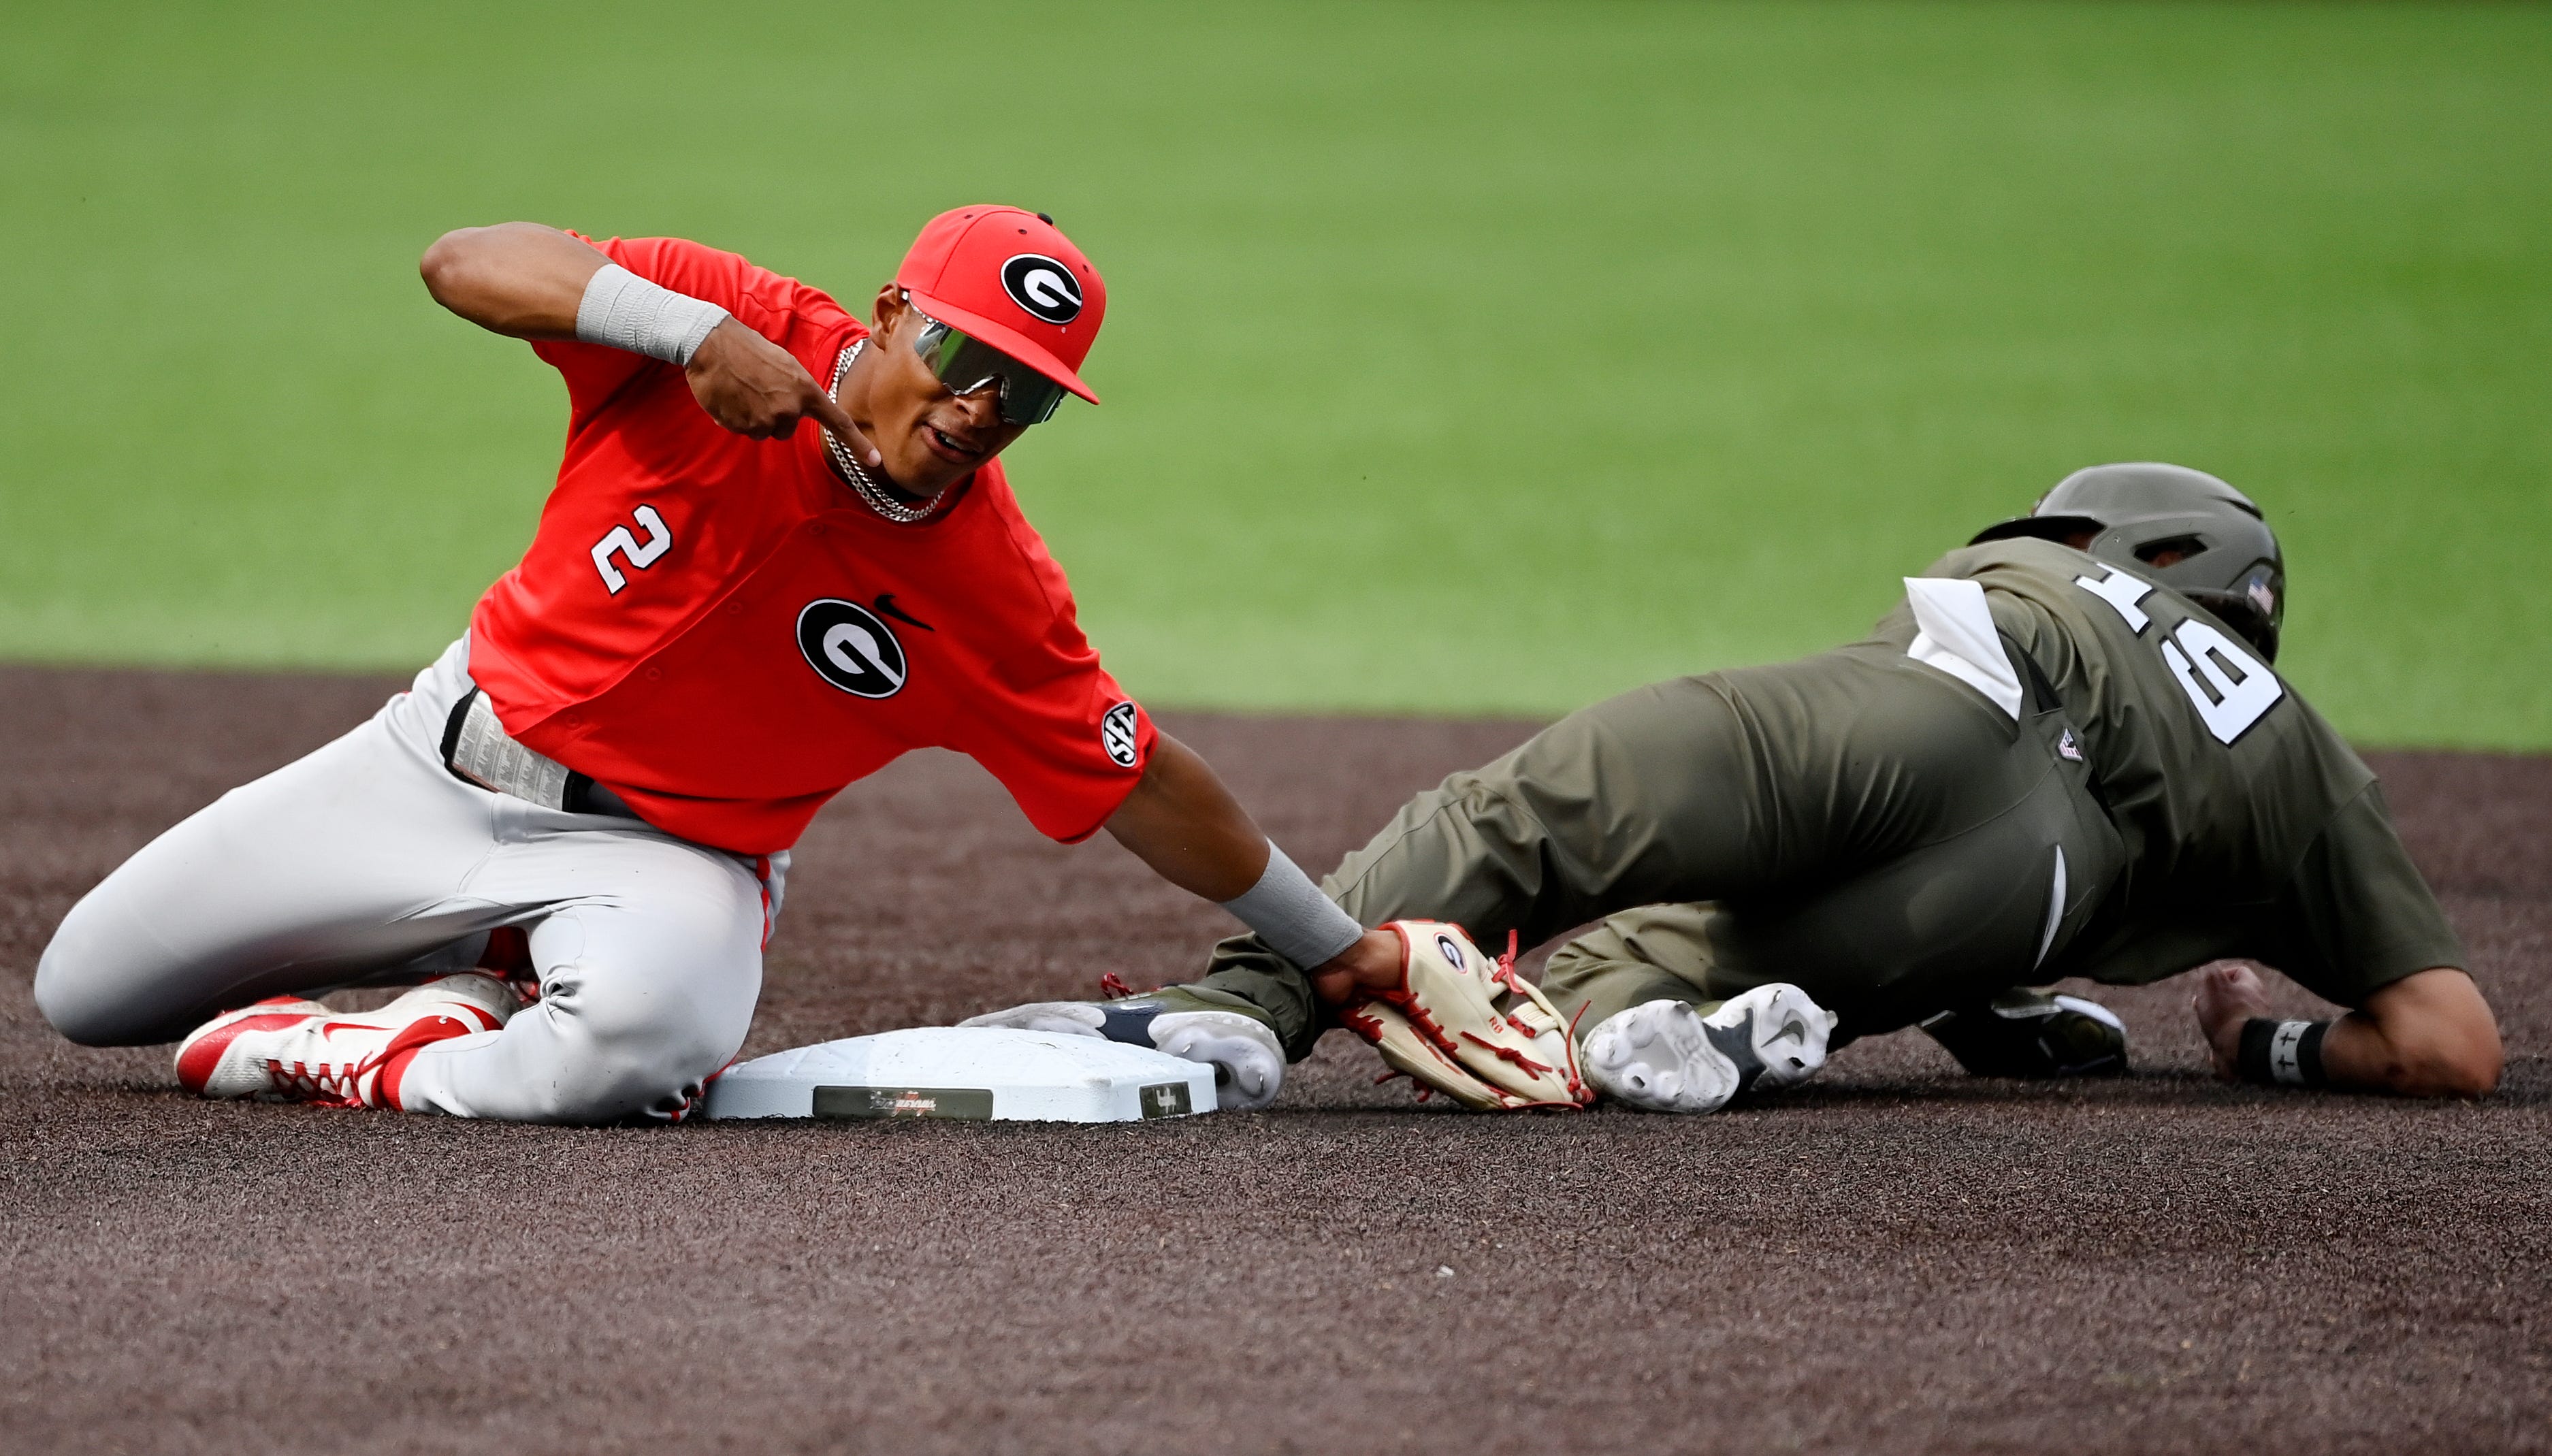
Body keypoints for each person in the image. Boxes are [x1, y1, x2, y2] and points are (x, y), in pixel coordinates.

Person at [33, 206, 1375, 1123]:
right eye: (964, 357)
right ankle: (483, 953)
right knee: (84, 992)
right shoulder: (724, 317)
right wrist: (679, 331)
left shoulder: (996, 592)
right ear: (896, 312)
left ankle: (372, 1048)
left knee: (640, 1048)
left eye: (1022, 394)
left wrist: (1342, 951)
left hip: (669, 866)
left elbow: (1141, 778)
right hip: (432, 769)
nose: (979, 409)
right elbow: (464, 260)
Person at [971, 465, 2504, 1111]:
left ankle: (1247, 1004)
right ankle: (1692, 1031)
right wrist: (2270, 1039)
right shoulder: (2300, 759)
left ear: (2113, 542)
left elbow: (1977, 749)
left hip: (1929, 702)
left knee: (1527, 818)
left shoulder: (2053, 571)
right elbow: (2452, 1042)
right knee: (1661, 974)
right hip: (2032, 887)